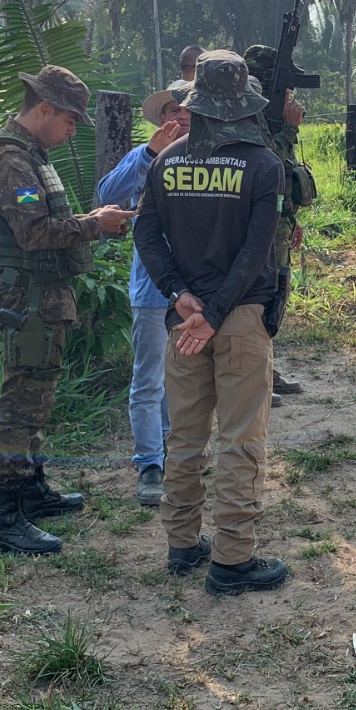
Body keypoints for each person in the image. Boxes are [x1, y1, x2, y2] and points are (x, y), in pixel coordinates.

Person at [134, 50, 288, 596]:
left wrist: (181, 298)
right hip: (239, 318)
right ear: (241, 104)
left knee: (186, 435)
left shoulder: (164, 162)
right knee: (242, 437)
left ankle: (181, 544)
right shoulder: (264, 164)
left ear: (196, 103)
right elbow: (255, 251)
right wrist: (217, 312)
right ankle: (232, 559)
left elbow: (145, 235)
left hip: (186, 320)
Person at [0, 65, 136, 554]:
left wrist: (94, 223)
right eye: (68, 121)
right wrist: (94, 224)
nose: (71, 131)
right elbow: (33, 231)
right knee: (19, 408)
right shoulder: (10, 161)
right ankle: (5, 517)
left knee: (37, 400)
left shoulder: (30, 156)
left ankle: (32, 491)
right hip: (28, 299)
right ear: (43, 109)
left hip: (43, 297)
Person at [95, 83, 193, 506]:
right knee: (149, 376)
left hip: (200, 290)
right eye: (173, 111)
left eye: (189, 109)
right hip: (154, 288)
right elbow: (107, 196)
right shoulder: (145, 155)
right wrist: (150, 155)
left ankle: (175, 448)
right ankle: (150, 463)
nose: (181, 117)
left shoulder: (218, 157)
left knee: (185, 377)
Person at [243, 44, 310, 401]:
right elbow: (267, 167)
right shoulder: (254, 124)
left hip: (278, 228)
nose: (291, 98)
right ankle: (254, 376)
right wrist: (289, 129)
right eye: (286, 90)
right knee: (261, 298)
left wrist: (292, 218)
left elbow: (284, 178)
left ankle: (264, 367)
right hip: (260, 232)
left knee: (276, 295)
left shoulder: (271, 123)